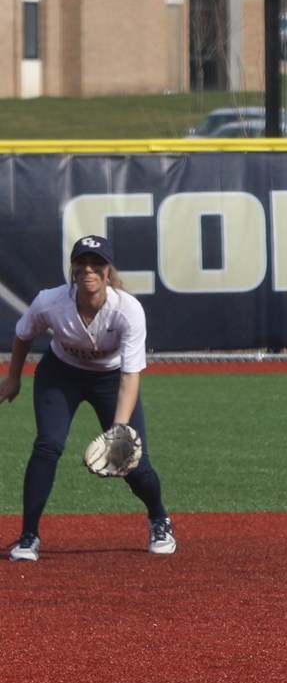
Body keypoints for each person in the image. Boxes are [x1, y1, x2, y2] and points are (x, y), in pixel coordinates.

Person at [1, 235, 176, 561]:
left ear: (108, 271)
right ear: (73, 268)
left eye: (97, 263)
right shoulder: (50, 302)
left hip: (111, 380)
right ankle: (28, 536)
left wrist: (118, 431)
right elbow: (24, 333)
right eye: (81, 262)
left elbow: (129, 375)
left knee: (134, 464)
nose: (88, 269)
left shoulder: (127, 310)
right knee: (47, 445)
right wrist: (13, 378)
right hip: (61, 373)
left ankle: (159, 518)